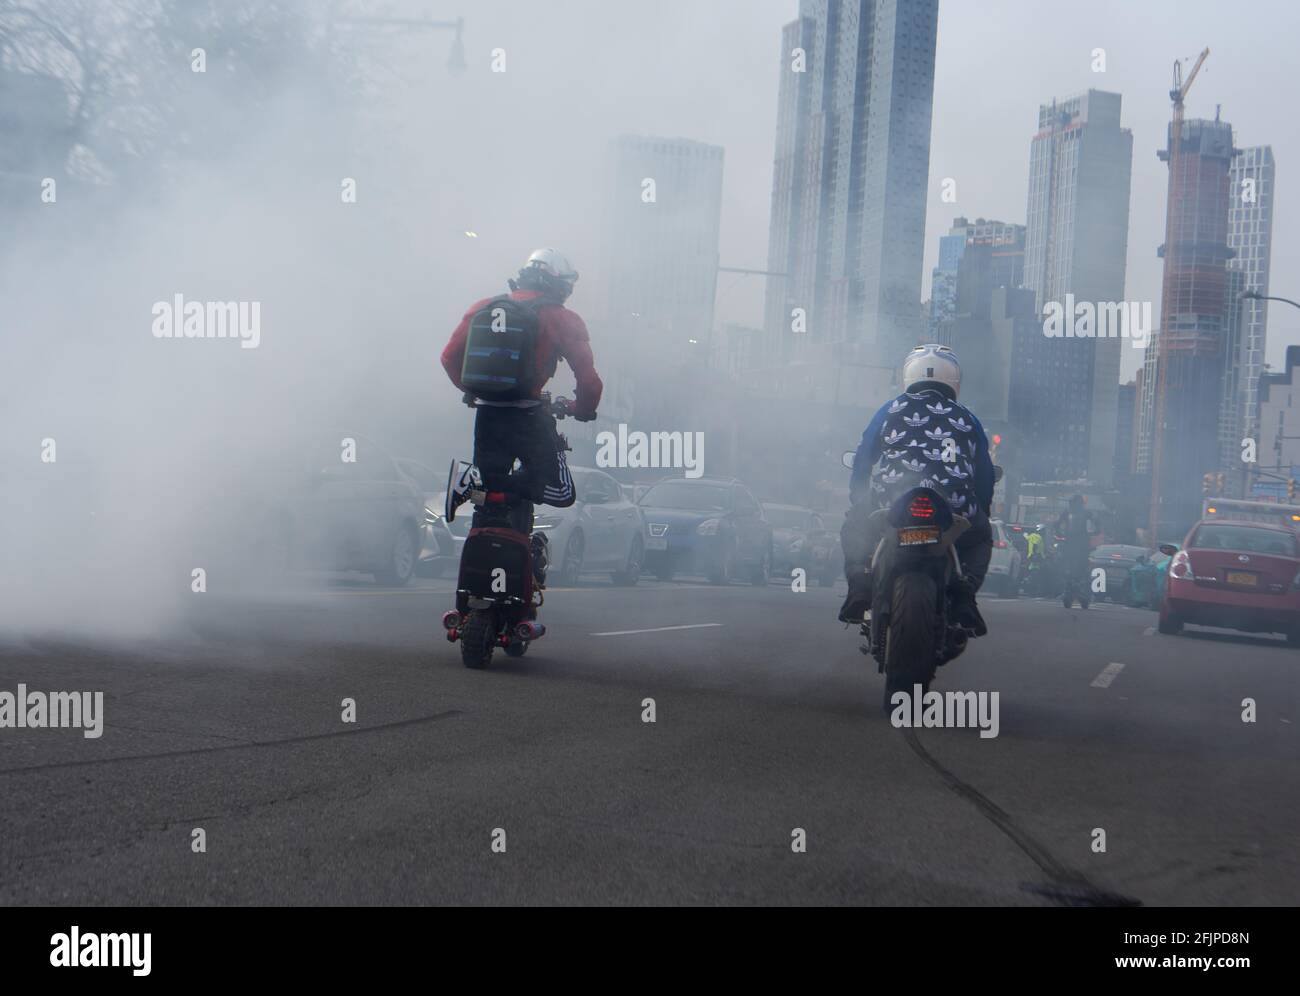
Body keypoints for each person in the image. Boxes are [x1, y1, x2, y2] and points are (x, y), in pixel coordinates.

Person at [440, 248, 602, 553]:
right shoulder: (561, 318)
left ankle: (472, 492)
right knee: (560, 490)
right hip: (529, 417)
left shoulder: (483, 307)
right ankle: (510, 501)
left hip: (487, 419)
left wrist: (474, 392)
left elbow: (449, 358)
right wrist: (582, 409)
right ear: (559, 284)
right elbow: (589, 382)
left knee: (486, 500)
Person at [838, 343, 995, 635]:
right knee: (982, 537)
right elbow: (984, 475)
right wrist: (981, 511)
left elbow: (863, 459)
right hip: (953, 507)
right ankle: (964, 596)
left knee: (854, 526)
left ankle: (859, 589)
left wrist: (858, 499)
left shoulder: (890, 409)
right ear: (955, 381)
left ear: (908, 376)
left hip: (892, 500)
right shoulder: (967, 418)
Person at [1055, 494, 1098, 607]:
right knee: (1080, 567)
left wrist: (1059, 533)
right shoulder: (1086, 512)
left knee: (1069, 565)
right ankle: (1074, 586)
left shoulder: (1067, 512)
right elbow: (1097, 523)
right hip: (1080, 545)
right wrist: (1095, 532)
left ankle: (1072, 586)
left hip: (1070, 544)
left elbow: (1057, 524)